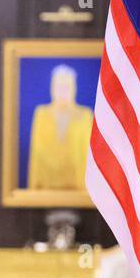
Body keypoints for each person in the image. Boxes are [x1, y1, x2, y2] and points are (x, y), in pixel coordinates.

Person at [25, 64, 92, 192]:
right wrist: (33, 190)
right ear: (53, 88)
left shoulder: (85, 115)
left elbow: (88, 155)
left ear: (74, 88)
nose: (63, 91)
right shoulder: (41, 114)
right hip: (46, 189)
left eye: (67, 87)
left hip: (78, 190)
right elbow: (36, 156)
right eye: (59, 87)